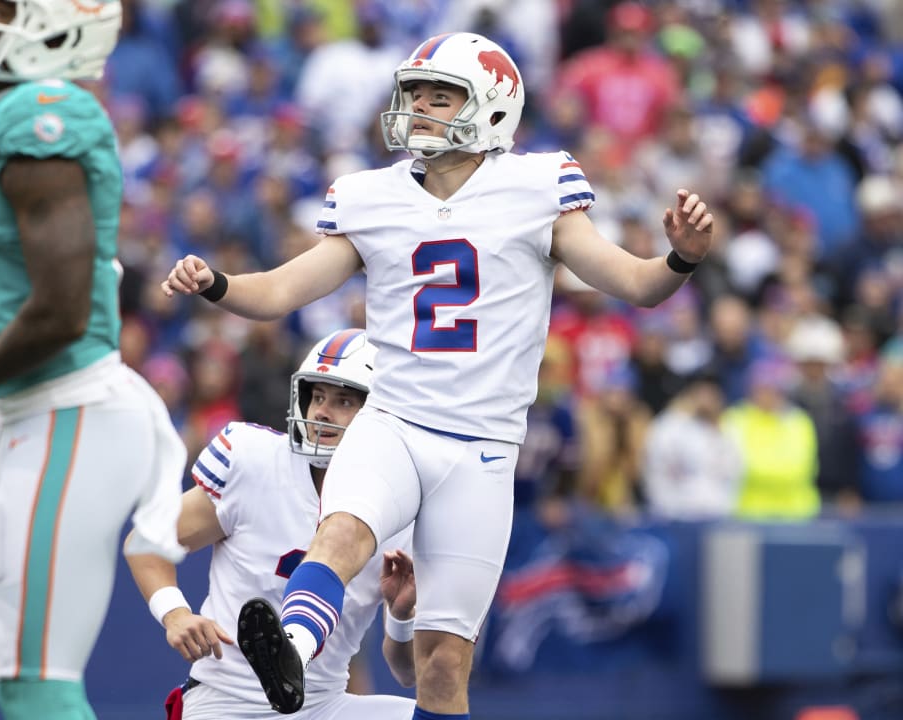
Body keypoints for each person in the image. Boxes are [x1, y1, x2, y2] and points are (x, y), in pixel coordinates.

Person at [162, 32, 715, 719]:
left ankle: (296, 651)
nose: (420, 106)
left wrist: (680, 259)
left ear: (491, 106)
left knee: (445, 662)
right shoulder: (371, 196)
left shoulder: (536, 187)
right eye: (415, 93)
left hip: (482, 448)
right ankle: (293, 655)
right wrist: (216, 282)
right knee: (340, 534)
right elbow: (277, 293)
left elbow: (634, 284)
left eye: (441, 94)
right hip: (392, 421)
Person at [0, 2, 187, 717]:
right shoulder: (7, 114)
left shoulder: (42, 111)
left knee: (36, 678)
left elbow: (65, 310)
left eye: (0, 9)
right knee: (23, 663)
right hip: (47, 411)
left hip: (71, 408)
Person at [127, 329, 417, 720]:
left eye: (343, 400)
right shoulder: (254, 460)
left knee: (432, 714)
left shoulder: (401, 506)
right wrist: (174, 612)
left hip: (323, 705)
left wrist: (401, 616)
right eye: (317, 396)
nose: (321, 413)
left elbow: (407, 672)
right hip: (226, 701)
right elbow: (148, 540)